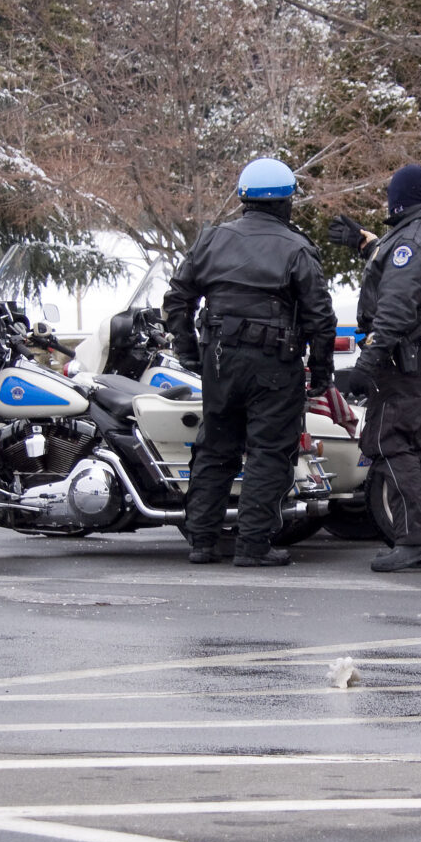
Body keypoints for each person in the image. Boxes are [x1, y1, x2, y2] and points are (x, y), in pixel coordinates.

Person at [162, 158, 337, 568]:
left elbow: (177, 299)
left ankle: (202, 541)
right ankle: (253, 545)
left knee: (214, 447)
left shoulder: (211, 240)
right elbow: (320, 318)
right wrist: (322, 371)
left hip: (219, 361)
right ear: (286, 201)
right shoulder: (297, 248)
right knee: (269, 452)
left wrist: (189, 351)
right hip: (274, 364)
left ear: (245, 199)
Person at [336, 163, 421, 573]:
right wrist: (369, 246)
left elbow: (396, 307)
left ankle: (413, 540)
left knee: (389, 441)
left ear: (399, 199)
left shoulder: (412, 240)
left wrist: (366, 363)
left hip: (404, 359)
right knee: (413, 445)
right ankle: (418, 538)